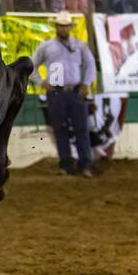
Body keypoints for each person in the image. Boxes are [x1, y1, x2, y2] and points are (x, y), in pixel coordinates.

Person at [32, 12, 97, 177]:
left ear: (70, 27)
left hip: (75, 91)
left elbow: (90, 65)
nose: (63, 28)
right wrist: (41, 82)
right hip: (56, 92)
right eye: (61, 25)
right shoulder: (46, 47)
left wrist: (86, 83)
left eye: (66, 25)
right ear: (56, 27)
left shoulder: (80, 46)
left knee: (81, 129)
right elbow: (31, 66)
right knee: (60, 130)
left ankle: (85, 165)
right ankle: (66, 164)